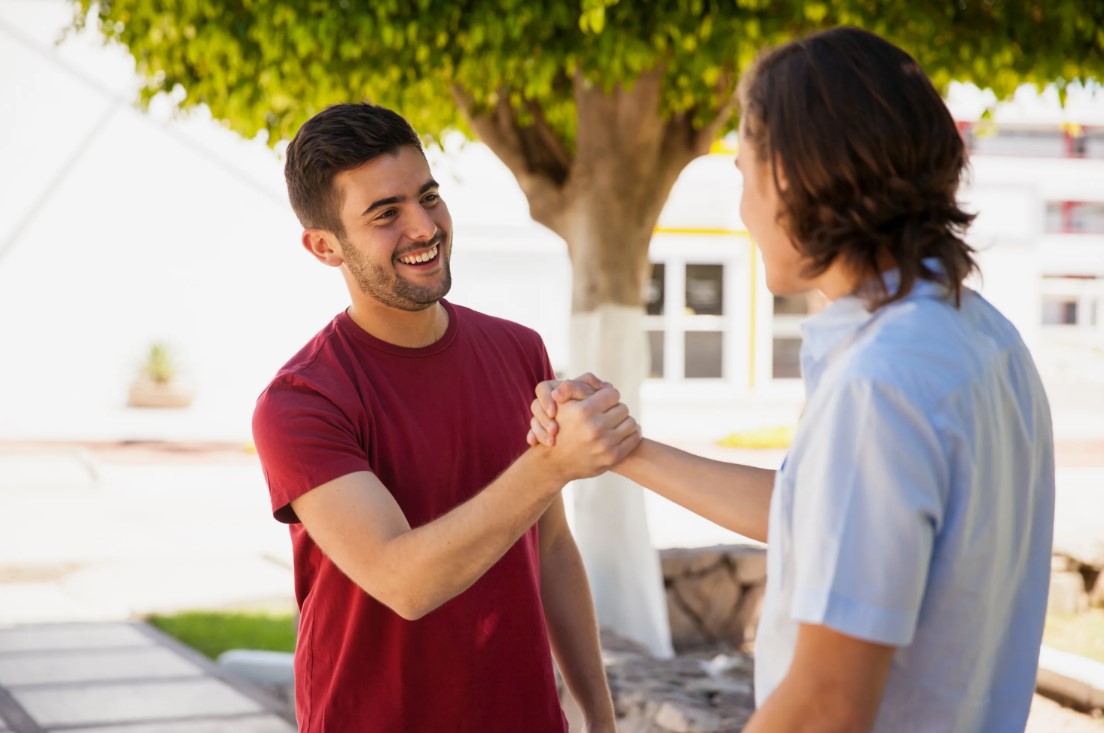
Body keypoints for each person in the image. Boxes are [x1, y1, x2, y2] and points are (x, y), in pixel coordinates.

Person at [529, 27, 1055, 733]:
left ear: (792, 175)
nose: (742, 209)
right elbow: (816, 513)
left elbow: (827, 704)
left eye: (743, 173)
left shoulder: (881, 381)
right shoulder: (983, 336)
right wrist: (624, 448)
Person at [252, 102, 637, 732]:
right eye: (387, 214)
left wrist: (598, 715)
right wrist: (550, 467)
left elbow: (554, 548)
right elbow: (405, 583)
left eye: (428, 197)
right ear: (325, 246)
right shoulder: (300, 402)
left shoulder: (519, 350)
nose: (424, 227)